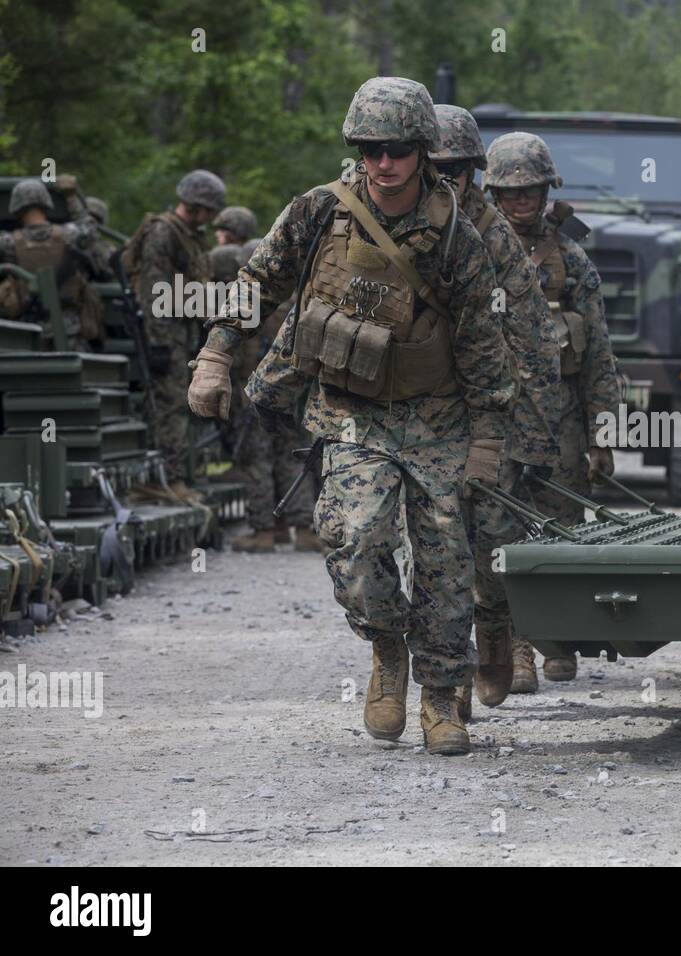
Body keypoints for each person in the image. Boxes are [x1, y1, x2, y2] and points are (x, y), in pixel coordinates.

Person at [186, 76, 515, 755]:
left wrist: (487, 436)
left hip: (438, 418)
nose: (382, 163)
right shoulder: (318, 213)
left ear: (422, 150)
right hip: (354, 416)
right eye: (369, 148)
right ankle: (387, 648)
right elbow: (257, 282)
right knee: (357, 548)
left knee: (448, 567)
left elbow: (482, 338)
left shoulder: (456, 234)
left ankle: (440, 698)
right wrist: (216, 355)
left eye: (395, 149)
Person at [430, 103, 561, 708]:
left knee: (492, 546)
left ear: (473, 172)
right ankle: (445, 683)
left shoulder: (496, 239)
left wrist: (533, 434)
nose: (446, 178)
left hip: (490, 418)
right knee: (433, 548)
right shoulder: (396, 224)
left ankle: (496, 633)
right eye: (436, 165)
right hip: (420, 413)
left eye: (458, 168)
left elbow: (535, 340)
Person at [484, 131, 621, 684]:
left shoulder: (571, 257)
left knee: (563, 529)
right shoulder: (473, 249)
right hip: (495, 420)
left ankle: (557, 637)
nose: (522, 202)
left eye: (531, 192)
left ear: (547, 190)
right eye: (511, 194)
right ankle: (514, 646)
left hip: (560, 419)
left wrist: (602, 435)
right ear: (493, 194)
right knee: (498, 532)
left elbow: (600, 356)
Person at [122, 168, 226, 486]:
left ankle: (181, 476)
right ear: (193, 205)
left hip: (184, 331)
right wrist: (159, 344)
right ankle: (169, 481)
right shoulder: (163, 233)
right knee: (169, 409)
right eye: (207, 210)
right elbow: (155, 292)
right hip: (166, 335)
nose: (209, 218)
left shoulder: (188, 235)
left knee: (184, 407)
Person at [0, 176, 104, 350]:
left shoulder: (8, 243)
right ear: (45, 203)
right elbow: (91, 230)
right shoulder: (70, 235)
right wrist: (71, 197)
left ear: (16, 208)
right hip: (69, 330)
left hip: (27, 333)